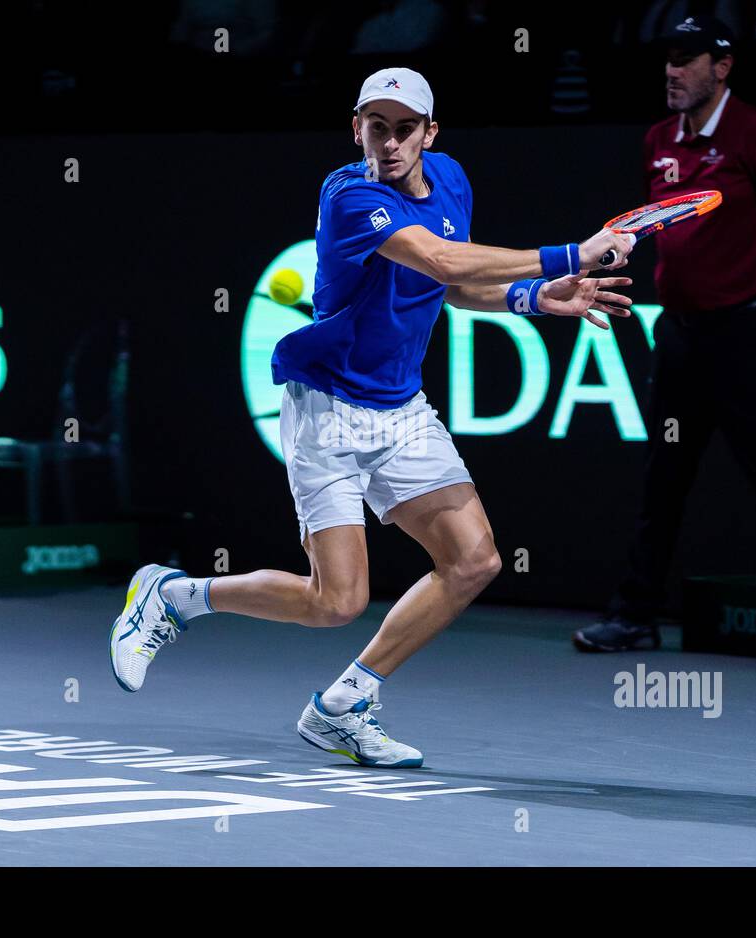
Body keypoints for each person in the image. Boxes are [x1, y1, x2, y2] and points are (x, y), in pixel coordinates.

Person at [110, 68, 635, 766]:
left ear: (430, 133)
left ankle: (344, 705)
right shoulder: (349, 194)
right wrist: (571, 252)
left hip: (400, 407)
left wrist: (535, 299)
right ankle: (174, 597)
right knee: (336, 601)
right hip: (325, 404)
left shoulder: (451, 180)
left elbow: (450, 284)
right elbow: (439, 255)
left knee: (473, 560)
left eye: (404, 127)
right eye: (375, 126)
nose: (389, 142)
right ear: (355, 127)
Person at [571, 16, 756, 670]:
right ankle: (635, 615)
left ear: (721, 66)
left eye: (687, 59)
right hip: (680, 332)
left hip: (745, 330)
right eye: (667, 60)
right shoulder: (656, 141)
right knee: (663, 480)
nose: (672, 71)